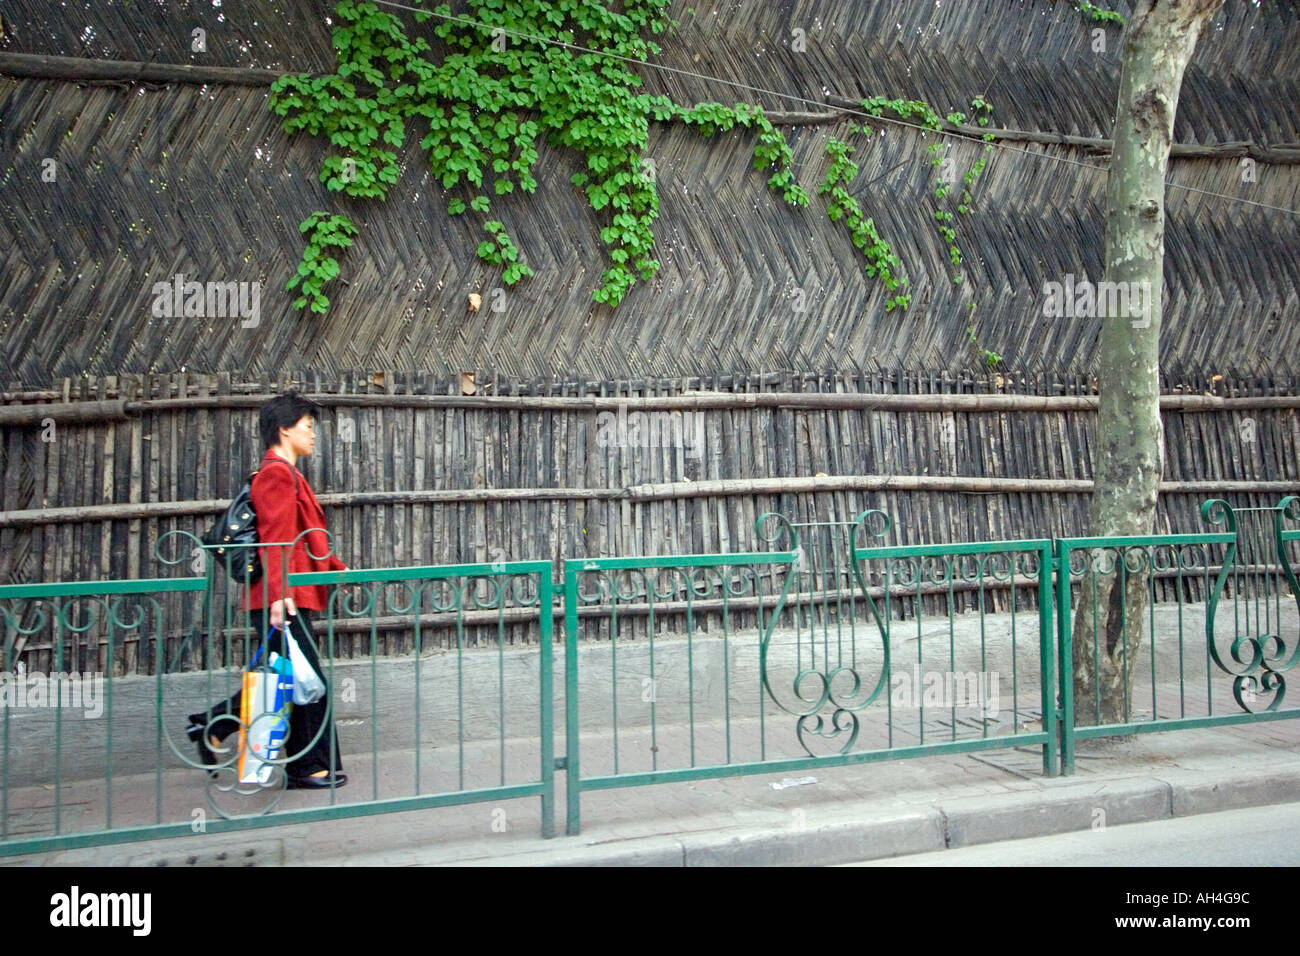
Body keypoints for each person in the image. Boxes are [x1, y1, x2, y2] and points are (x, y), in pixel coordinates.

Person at [186, 391, 349, 789]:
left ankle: (214, 727)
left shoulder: (288, 473)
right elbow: (275, 542)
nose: (313, 436)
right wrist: (280, 597)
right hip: (281, 600)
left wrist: (335, 569)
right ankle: (305, 767)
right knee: (307, 683)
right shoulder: (276, 474)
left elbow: (302, 539)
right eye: (307, 427)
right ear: (284, 430)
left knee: (291, 680)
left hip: (288, 596)